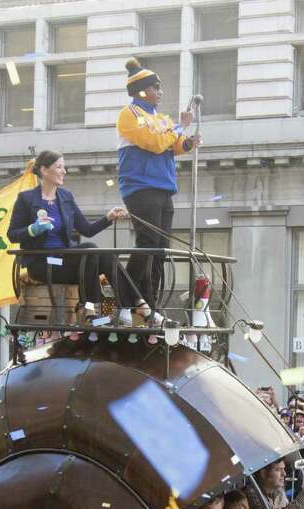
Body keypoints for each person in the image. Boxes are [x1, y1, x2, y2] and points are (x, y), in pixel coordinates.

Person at [116, 58, 198, 324]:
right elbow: (154, 142)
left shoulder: (162, 118)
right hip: (141, 187)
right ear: (142, 90)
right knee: (147, 243)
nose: (160, 92)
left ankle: (149, 305)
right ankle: (123, 302)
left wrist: (187, 142)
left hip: (163, 188)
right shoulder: (130, 115)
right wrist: (180, 128)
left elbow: (172, 145)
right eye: (156, 87)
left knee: (160, 249)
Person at [9, 149, 131, 319]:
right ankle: (93, 309)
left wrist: (108, 218)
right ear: (44, 170)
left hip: (64, 259)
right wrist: (32, 229)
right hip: (45, 262)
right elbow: (12, 234)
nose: (64, 171)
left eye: (63, 167)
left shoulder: (66, 197)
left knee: (105, 256)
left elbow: (87, 230)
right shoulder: (26, 199)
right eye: (59, 167)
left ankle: (128, 307)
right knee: (89, 251)